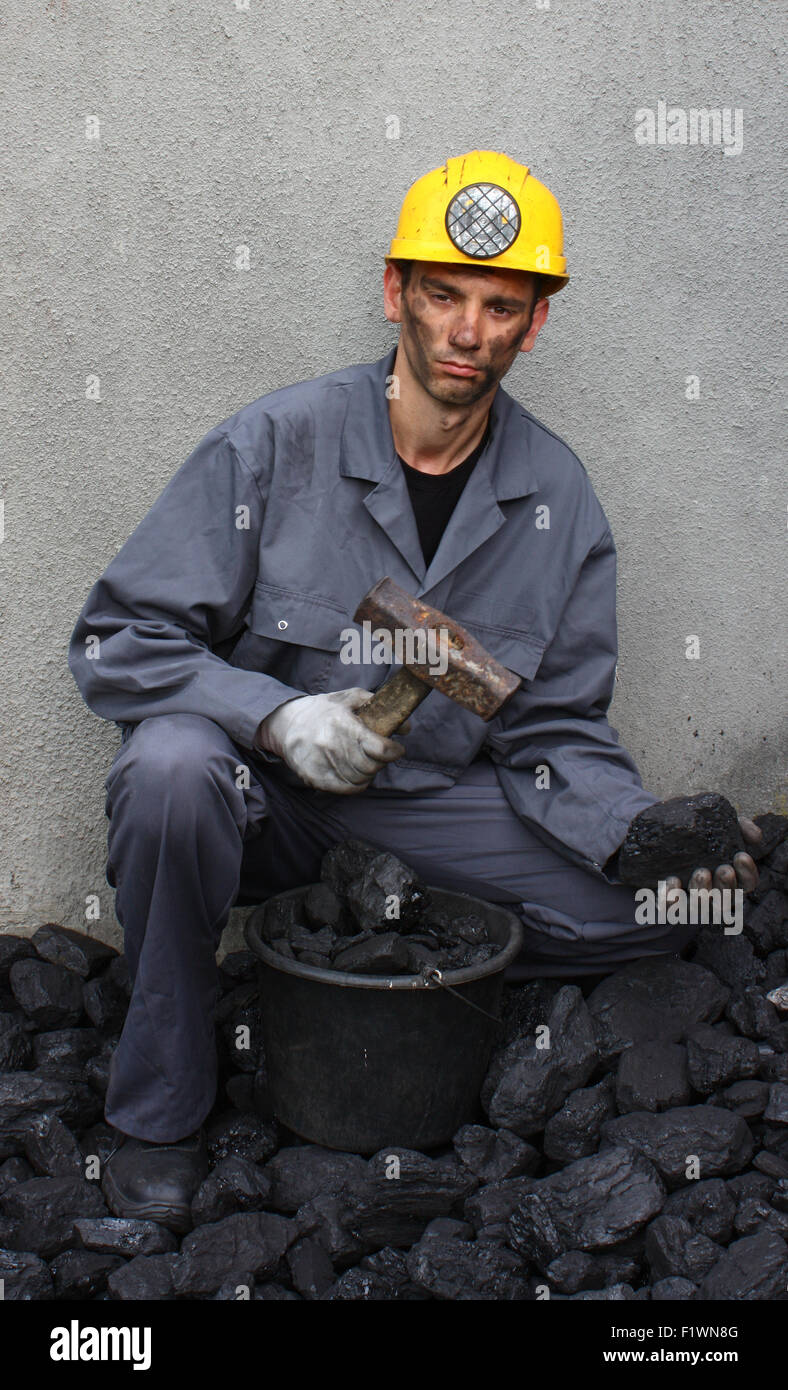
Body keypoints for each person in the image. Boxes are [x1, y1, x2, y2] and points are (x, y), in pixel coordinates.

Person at [68, 150, 760, 1230]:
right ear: (395, 293)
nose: (466, 331)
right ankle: (160, 1102)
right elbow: (116, 641)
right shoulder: (272, 445)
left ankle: (360, 942)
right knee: (166, 768)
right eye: (441, 294)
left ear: (533, 323)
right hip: (263, 797)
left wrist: (627, 828)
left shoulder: (556, 501)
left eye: (499, 303)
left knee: (653, 915)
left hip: (425, 806)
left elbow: (553, 725)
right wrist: (274, 715)